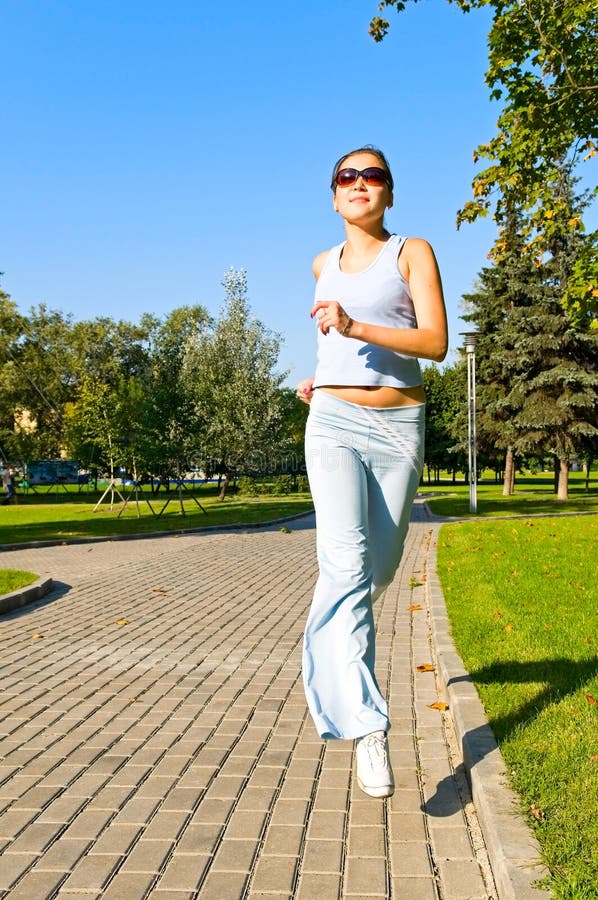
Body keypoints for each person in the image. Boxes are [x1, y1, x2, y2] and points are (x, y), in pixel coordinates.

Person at [297, 146, 448, 798]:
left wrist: (357, 326)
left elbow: (435, 343)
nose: (360, 184)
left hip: (397, 429)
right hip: (331, 421)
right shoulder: (319, 263)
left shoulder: (412, 252)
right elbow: (330, 338)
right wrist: (323, 377)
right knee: (347, 569)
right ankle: (368, 726)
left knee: (375, 573)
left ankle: (333, 654)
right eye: (347, 177)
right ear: (334, 196)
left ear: (388, 192)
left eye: (373, 175)